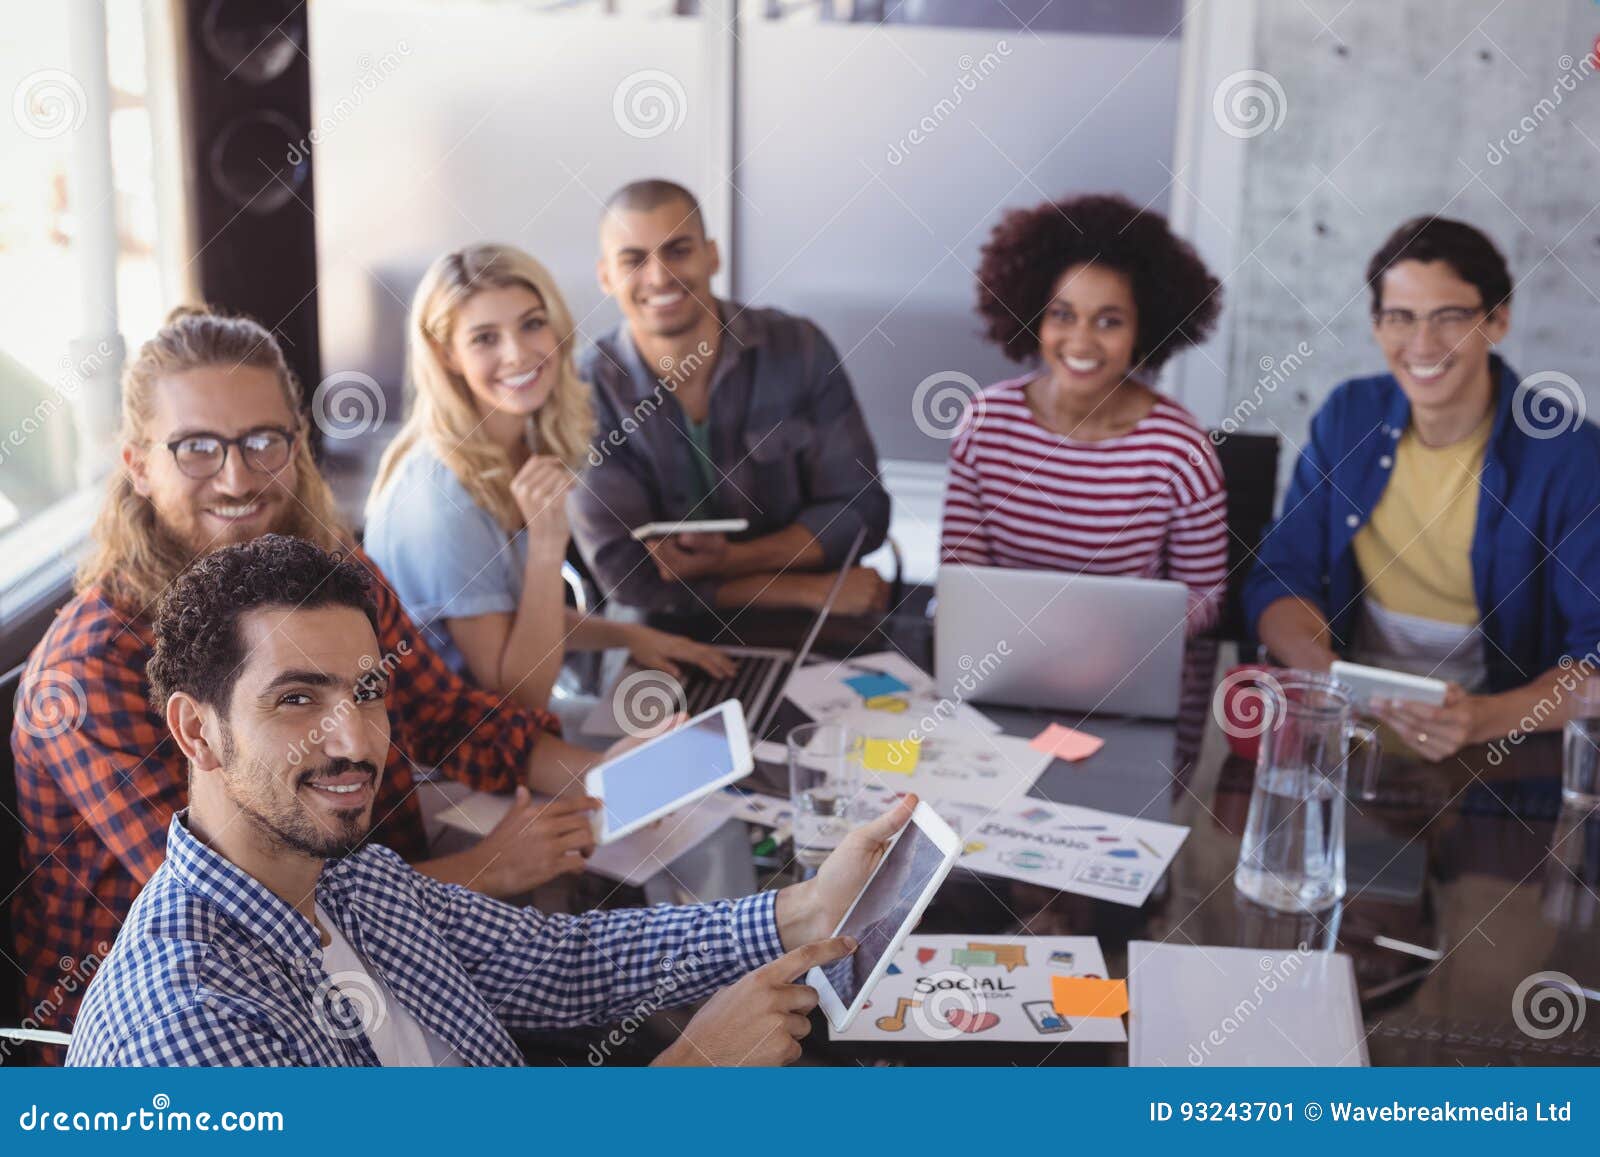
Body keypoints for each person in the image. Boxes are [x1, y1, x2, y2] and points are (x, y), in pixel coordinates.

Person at [10, 307, 623, 1044]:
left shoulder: (333, 577)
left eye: (263, 440)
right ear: (138, 463)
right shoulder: (85, 675)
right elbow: (251, 904)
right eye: (196, 447)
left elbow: (448, 714)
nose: (237, 477)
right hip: (217, 1021)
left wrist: (613, 775)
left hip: (381, 946)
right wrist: (490, 866)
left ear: (296, 448)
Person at [66, 535, 915, 1066]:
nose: (356, 740)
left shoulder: (355, 880)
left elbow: (563, 963)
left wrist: (801, 911)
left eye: (365, 692)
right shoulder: (185, 1027)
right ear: (196, 730)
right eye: (297, 699)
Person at [1244, 215, 1600, 761]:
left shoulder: (1568, 453)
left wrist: (1484, 719)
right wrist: (1332, 681)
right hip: (1354, 739)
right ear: (1376, 325)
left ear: (1497, 321)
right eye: (1400, 318)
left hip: (1504, 753)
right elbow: (1279, 574)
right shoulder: (1348, 416)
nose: (1422, 343)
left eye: (1450, 317)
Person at [364, 243, 732, 714]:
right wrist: (546, 545)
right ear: (447, 354)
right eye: (484, 338)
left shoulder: (512, 447)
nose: (518, 354)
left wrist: (630, 636)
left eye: (532, 324)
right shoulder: (443, 501)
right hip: (453, 764)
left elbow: (514, 617)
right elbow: (517, 701)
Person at [568, 178, 891, 614]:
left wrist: (734, 560)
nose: (659, 276)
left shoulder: (799, 348)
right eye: (633, 260)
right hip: (668, 636)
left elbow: (861, 511)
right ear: (606, 276)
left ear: (711, 255)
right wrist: (804, 590)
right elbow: (628, 577)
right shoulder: (584, 392)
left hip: (813, 626)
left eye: (678, 250)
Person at [940, 193, 1229, 636]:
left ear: (1143, 329)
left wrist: (1120, 636)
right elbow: (961, 577)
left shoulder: (1180, 449)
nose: (1081, 341)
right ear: (1033, 317)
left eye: (1109, 321)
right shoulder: (985, 424)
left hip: (1124, 673)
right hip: (999, 664)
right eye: (1062, 315)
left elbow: (1205, 597)